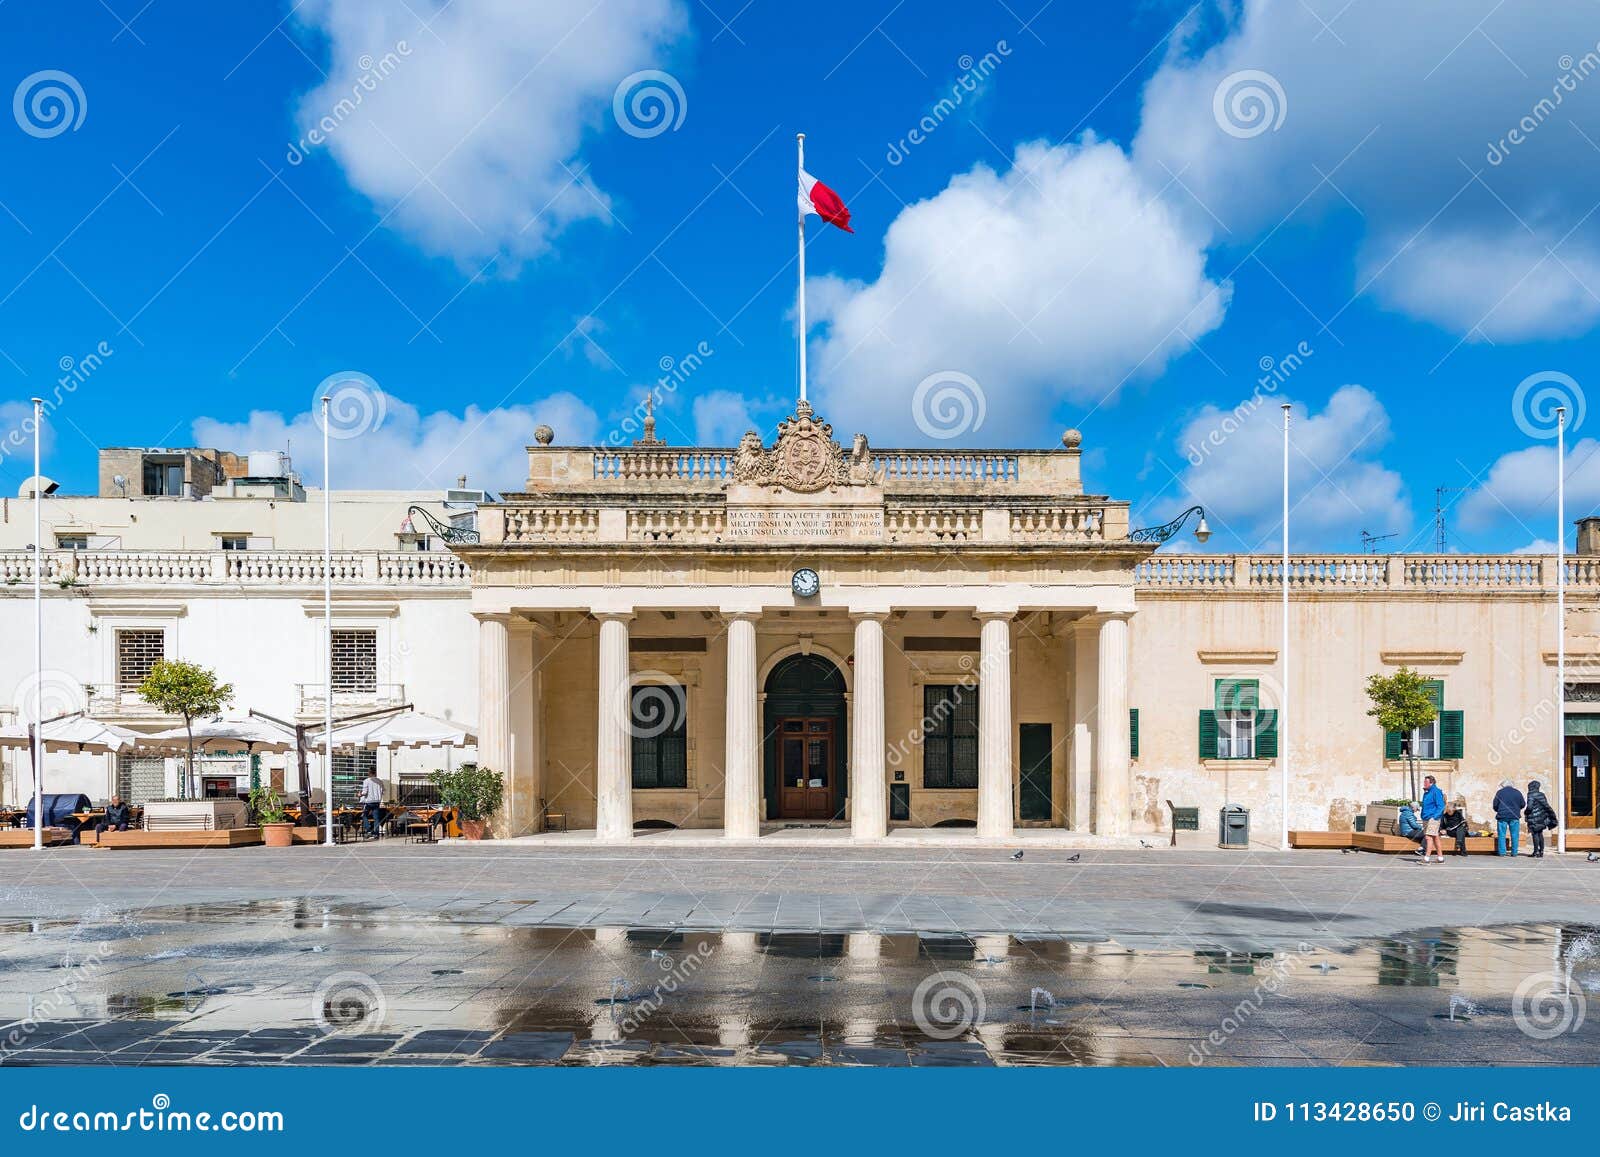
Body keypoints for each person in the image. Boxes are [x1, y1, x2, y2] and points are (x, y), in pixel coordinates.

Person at [1493, 779, 1526, 857]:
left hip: (1502, 816)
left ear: (1503, 785)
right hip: (1514, 816)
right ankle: (1514, 852)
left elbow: (1495, 805)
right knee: (1515, 835)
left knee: (1501, 835)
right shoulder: (1517, 792)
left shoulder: (1499, 792)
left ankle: (1502, 852)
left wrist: (1498, 810)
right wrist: (1517, 809)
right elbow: (1523, 804)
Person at [1525, 780, 1557, 859]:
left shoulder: (1531, 795)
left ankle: (1535, 852)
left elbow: (1529, 807)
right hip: (1542, 818)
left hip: (1533, 818)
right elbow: (1545, 805)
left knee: (1535, 834)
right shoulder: (1542, 794)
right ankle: (1541, 851)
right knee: (1540, 834)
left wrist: (1526, 812)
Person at [1420, 775, 1446, 863]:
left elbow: (1441, 806)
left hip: (1433, 818)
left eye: (1425, 782)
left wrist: (1434, 817)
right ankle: (1440, 858)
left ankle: (1426, 858)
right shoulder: (1427, 792)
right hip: (1426, 817)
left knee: (1428, 837)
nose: (1424, 784)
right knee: (1435, 837)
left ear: (1431, 783)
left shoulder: (1436, 791)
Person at [358, 770, 384, 838]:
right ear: (375, 773)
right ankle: (376, 833)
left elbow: (365, 792)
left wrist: (360, 794)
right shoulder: (380, 781)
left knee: (364, 815)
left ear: (369, 773)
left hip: (369, 802)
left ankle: (369, 830)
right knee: (376, 818)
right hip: (377, 801)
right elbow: (382, 791)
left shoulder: (366, 781)